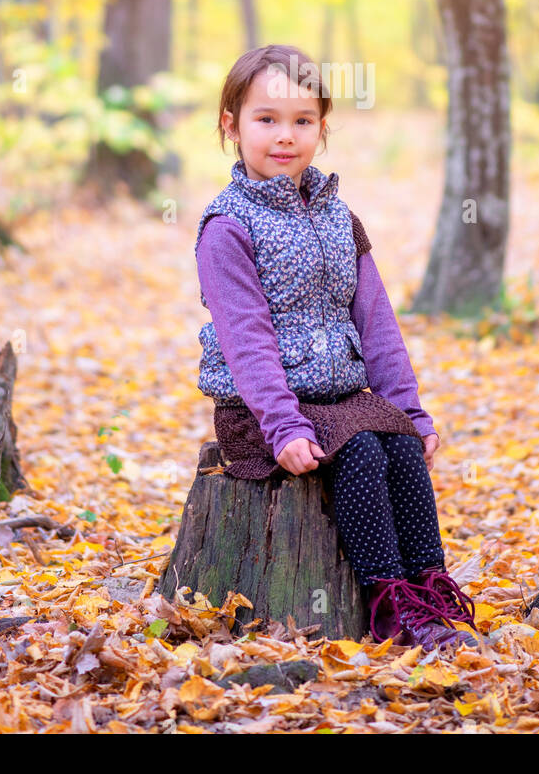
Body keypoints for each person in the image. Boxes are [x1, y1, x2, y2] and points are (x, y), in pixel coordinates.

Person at [193, 43, 480, 652]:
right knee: (362, 453)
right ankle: (388, 601)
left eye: (302, 121)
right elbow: (247, 345)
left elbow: (377, 323)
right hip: (261, 413)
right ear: (231, 126)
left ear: (321, 130)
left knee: (398, 445)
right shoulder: (227, 227)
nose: (284, 135)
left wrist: (411, 410)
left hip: (341, 397)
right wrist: (282, 426)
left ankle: (427, 587)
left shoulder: (337, 215)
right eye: (266, 119)